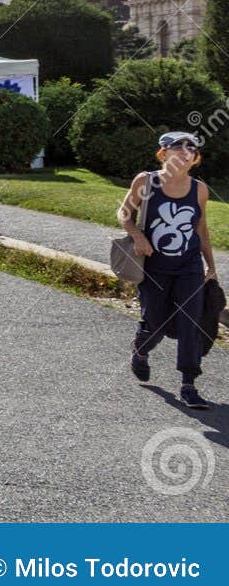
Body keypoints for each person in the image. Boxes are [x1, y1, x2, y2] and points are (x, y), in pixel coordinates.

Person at [120, 131, 218, 410]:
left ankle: (189, 384)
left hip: (189, 266)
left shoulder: (199, 189)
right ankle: (140, 349)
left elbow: (201, 228)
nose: (185, 151)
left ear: (195, 159)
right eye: (178, 147)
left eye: (192, 149)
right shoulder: (146, 181)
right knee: (156, 322)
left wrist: (210, 264)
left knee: (191, 322)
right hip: (154, 266)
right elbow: (124, 213)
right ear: (163, 154)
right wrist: (138, 236)